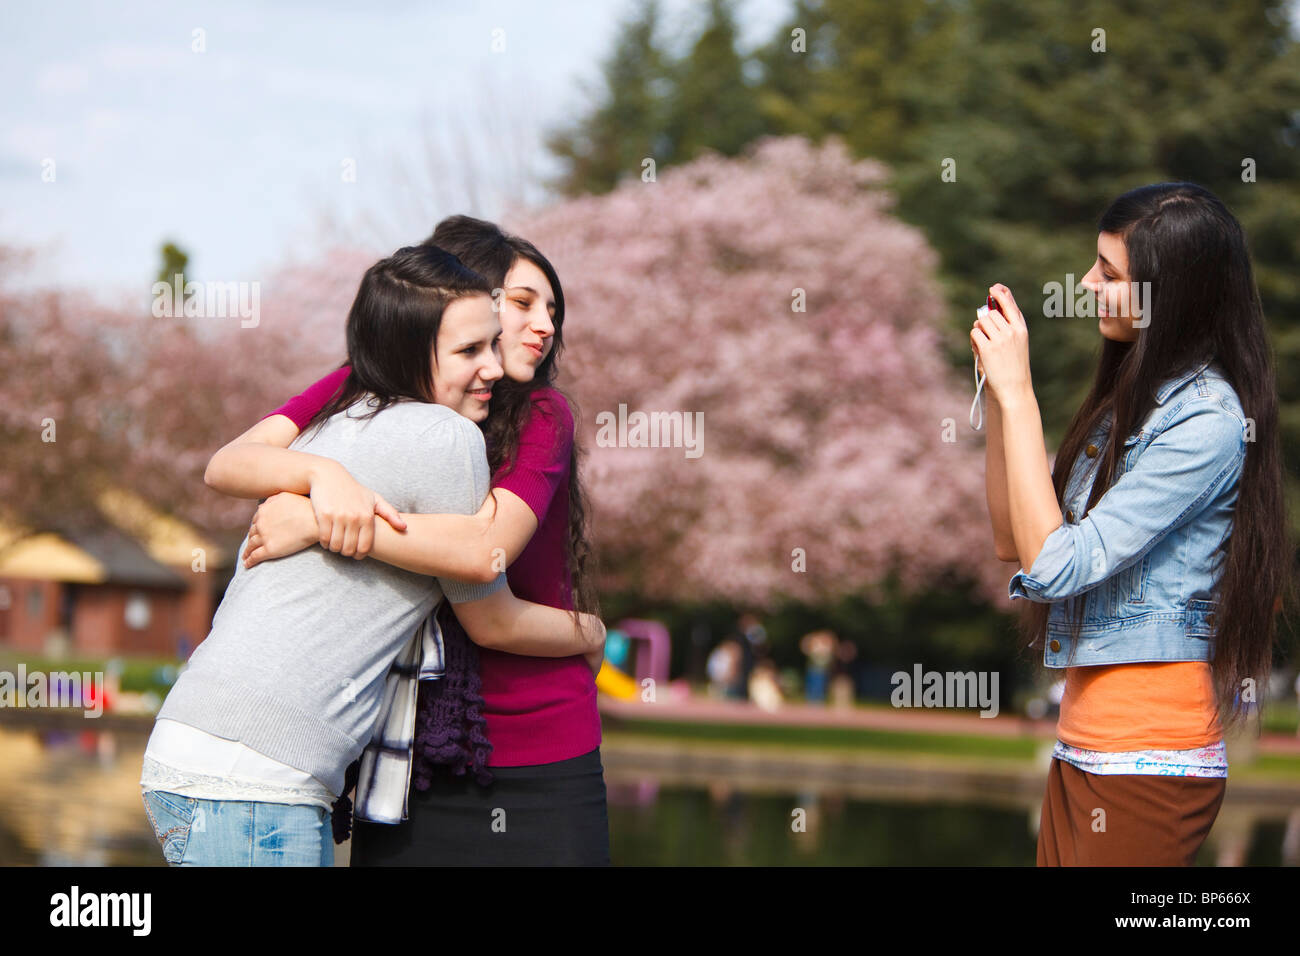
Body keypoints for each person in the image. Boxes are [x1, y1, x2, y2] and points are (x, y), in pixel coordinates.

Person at [139, 245, 604, 866]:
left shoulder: (342, 413)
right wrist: (590, 630)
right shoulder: (448, 436)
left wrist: (317, 515)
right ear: (411, 352)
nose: (492, 366)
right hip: (256, 778)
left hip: (198, 744)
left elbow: (230, 462)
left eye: (493, 344)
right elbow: (484, 581)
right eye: (470, 351)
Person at [973, 182, 1291, 866]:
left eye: (1109, 274)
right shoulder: (1133, 404)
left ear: (1166, 294)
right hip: (1086, 747)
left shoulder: (1205, 422)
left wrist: (1022, 390)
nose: (1086, 284)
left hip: (1147, 763)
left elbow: (1057, 566)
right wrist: (1001, 398)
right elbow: (1015, 540)